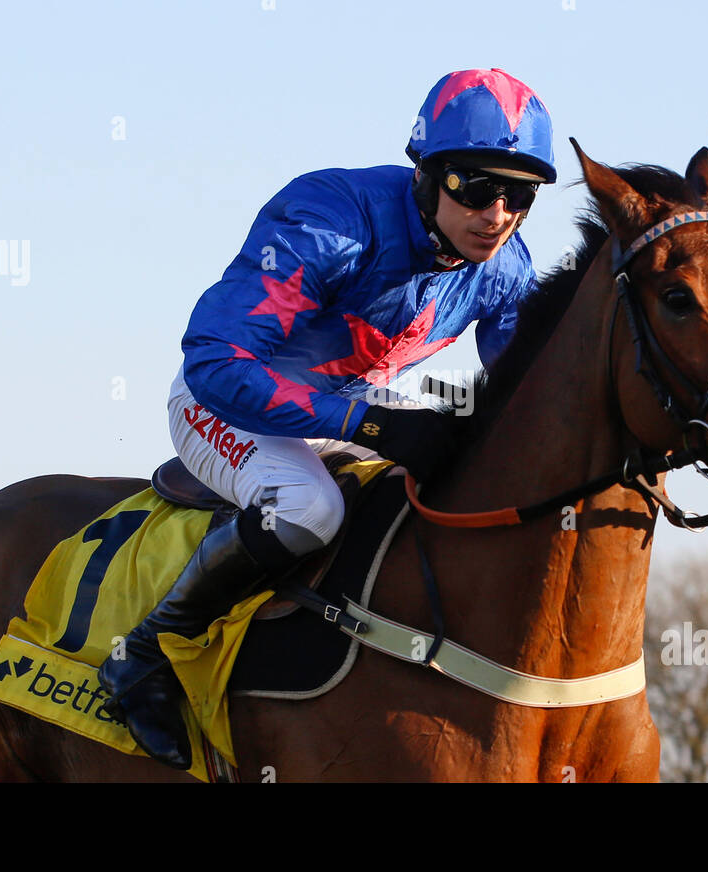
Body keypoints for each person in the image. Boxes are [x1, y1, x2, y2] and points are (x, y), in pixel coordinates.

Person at [98, 68, 557, 769]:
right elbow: (216, 361)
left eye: (518, 194)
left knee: (471, 462)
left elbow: (528, 393)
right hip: (228, 404)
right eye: (474, 185)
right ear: (427, 175)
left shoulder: (503, 267)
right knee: (310, 509)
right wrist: (367, 424)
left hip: (350, 407)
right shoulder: (330, 216)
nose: (496, 213)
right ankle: (148, 651)